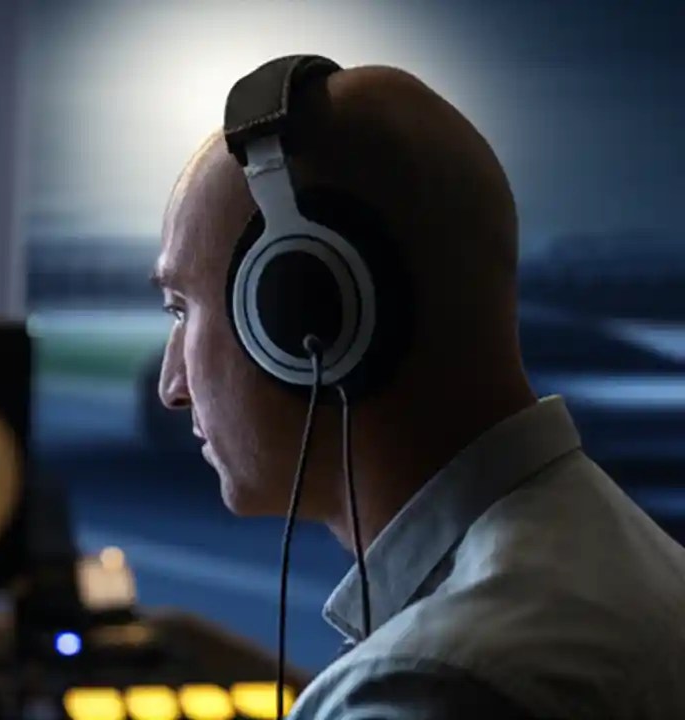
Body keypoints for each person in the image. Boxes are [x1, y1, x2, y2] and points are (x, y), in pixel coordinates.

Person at [153, 62, 685, 719]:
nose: (172, 387)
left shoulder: (429, 683)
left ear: (305, 315)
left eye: (182, 309)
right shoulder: (623, 564)